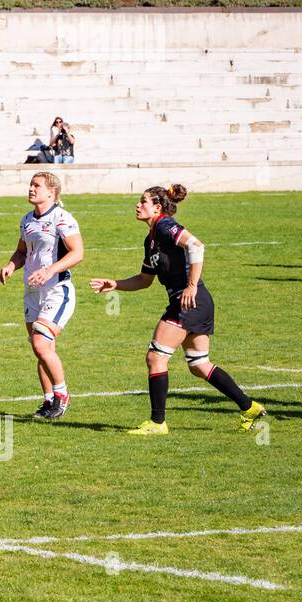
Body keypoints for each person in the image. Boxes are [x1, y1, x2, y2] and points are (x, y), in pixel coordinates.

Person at [89, 184, 265, 435]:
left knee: (156, 357)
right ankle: (249, 408)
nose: (138, 205)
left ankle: (157, 423)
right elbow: (144, 280)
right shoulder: (150, 239)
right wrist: (115, 284)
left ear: (158, 207)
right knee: (198, 364)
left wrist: (191, 285)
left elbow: (196, 245)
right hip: (195, 302)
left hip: (190, 300)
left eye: (144, 201)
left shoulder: (163, 224)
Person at [0, 173, 84, 419]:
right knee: (42, 348)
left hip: (57, 291)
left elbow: (77, 253)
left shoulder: (62, 218)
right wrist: (10, 266)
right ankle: (49, 402)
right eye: (31, 185)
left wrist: (49, 270)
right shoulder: (27, 220)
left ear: (51, 192)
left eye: (37, 185)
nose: (31, 189)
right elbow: (22, 252)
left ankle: (61, 395)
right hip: (32, 292)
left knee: (40, 343)